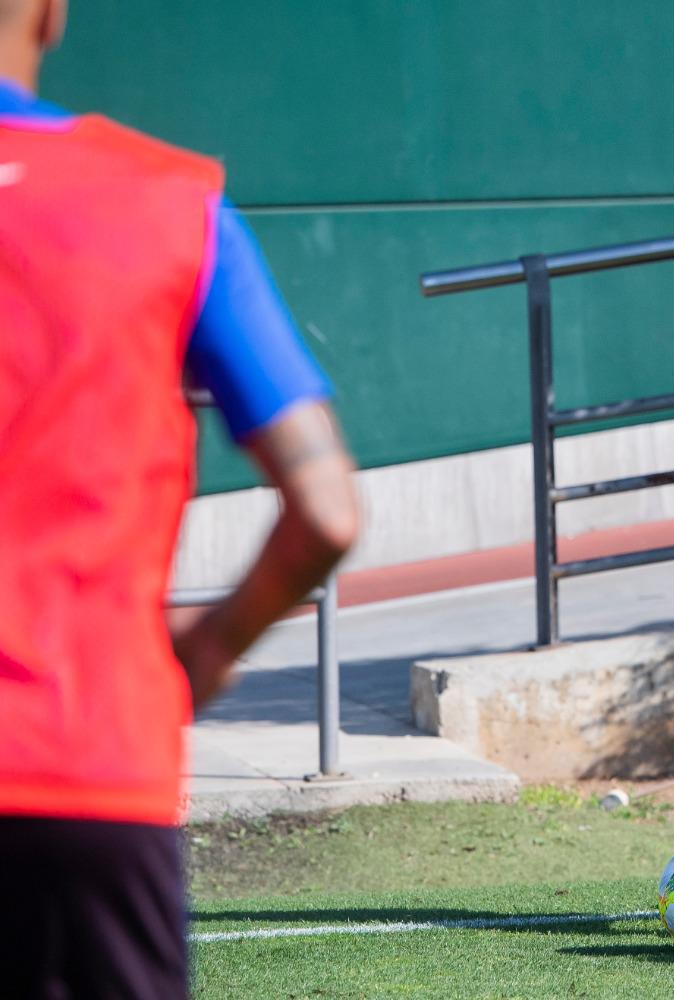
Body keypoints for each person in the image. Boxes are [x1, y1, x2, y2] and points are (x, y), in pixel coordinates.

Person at [0, 0, 361, 994]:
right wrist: (204, 652)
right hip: (88, 769)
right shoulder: (168, 202)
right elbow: (327, 508)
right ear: (50, 14)